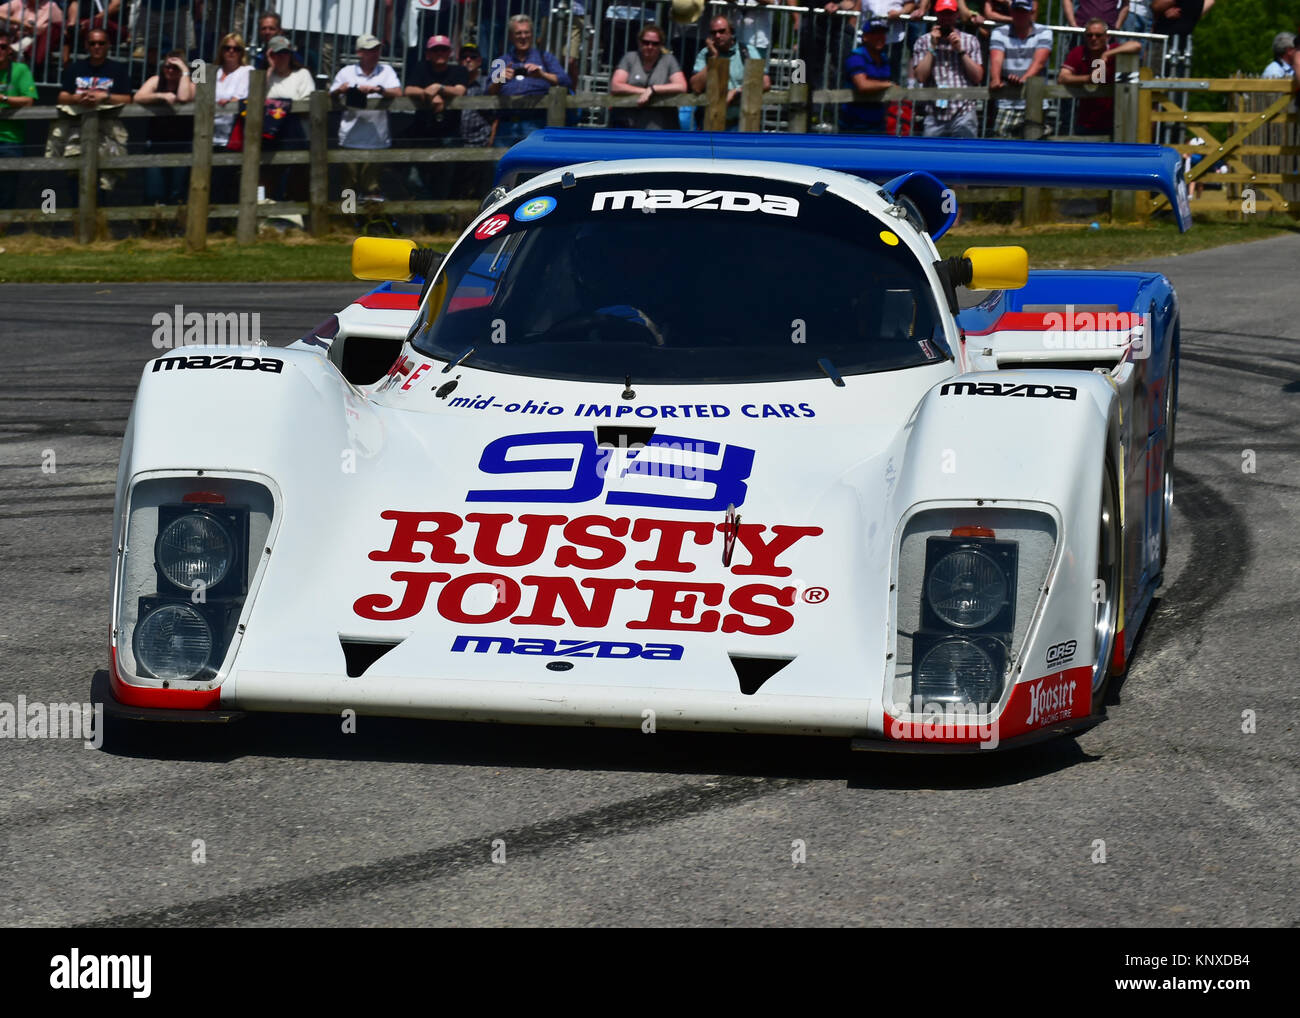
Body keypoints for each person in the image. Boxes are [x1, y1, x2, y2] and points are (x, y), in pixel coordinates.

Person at [48, 27, 132, 196]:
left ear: (108, 45)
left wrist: (104, 97)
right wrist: (78, 99)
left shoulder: (118, 69)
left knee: (104, 182)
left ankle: (98, 222)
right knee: (75, 180)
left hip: (108, 133)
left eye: (101, 43)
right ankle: (78, 221)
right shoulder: (75, 68)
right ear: (86, 45)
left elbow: (128, 99)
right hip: (77, 131)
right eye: (93, 43)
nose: (97, 47)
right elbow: (62, 96)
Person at [331, 32, 401, 200]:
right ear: (359, 52)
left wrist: (379, 90)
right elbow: (331, 94)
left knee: (372, 187)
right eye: (370, 50)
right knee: (349, 187)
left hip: (377, 141)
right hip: (350, 139)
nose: (375, 54)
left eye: (377, 50)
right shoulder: (346, 72)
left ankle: (370, 224)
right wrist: (343, 89)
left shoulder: (387, 71)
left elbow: (398, 92)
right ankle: (347, 222)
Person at [486, 14, 571, 146]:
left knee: (534, 165)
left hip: (536, 123)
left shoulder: (545, 57)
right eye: (518, 33)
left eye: (527, 32)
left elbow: (565, 81)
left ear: (532, 34)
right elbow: (489, 92)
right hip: (506, 125)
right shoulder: (501, 61)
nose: (523, 36)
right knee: (503, 165)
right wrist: (500, 79)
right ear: (511, 36)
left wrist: (542, 74)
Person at [911, 0, 983, 138]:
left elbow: (978, 77)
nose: (946, 18)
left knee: (965, 155)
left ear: (956, 15)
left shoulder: (970, 40)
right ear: (936, 14)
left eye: (950, 14)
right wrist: (932, 48)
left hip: (964, 111)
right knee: (931, 156)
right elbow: (920, 76)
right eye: (943, 14)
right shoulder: (923, 41)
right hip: (934, 112)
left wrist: (961, 51)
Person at [1057, 17, 1140, 135]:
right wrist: (1088, 79)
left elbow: (1136, 45)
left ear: (1107, 37)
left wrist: (1107, 54)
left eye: (1098, 35)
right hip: (1086, 120)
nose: (1093, 38)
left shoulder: (1114, 48)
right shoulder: (1078, 52)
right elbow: (1062, 77)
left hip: (1116, 120)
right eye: (1089, 35)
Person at [135, 49, 194, 204]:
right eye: (167, 66)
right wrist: (161, 96)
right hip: (156, 143)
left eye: (175, 67)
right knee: (153, 192)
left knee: (177, 192)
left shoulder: (190, 84)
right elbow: (138, 97)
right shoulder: (156, 80)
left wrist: (185, 72)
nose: (170, 70)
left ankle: (173, 227)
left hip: (182, 144)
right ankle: (153, 227)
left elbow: (183, 97)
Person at [689, 16, 770, 129]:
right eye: (713, 32)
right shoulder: (706, 53)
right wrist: (714, 58)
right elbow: (696, 87)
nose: (717, 36)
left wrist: (737, 91)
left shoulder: (746, 51)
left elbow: (765, 83)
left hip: (743, 122)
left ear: (731, 32)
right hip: (711, 122)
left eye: (722, 31)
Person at [988, 0, 1052, 138]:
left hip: (1035, 100)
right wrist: (995, 79)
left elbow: (1040, 62)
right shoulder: (999, 32)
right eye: (1017, 10)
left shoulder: (1044, 31)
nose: (1020, 15)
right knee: (1001, 141)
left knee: (1034, 145)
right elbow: (996, 59)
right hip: (1007, 100)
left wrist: (1022, 80)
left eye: (1024, 11)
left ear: (1030, 12)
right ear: (1011, 12)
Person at [263, 34, 313, 202]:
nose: (281, 57)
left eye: (285, 53)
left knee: (297, 185)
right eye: (277, 53)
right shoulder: (265, 77)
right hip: (270, 140)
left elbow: (308, 107)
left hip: (297, 138)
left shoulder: (302, 74)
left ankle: (297, 224)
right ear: (270, 55)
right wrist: (269, 69)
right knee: (266, 182)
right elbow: (254, 100)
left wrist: (279, 107)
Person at [610, 22, 687, 130]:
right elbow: (616, 86)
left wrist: (653, 89)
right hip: (630, 125)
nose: (650, 47)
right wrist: (644, 92)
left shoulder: (669, 60)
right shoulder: (629, 58)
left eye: (655, 44)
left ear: (661, 45)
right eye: (646, 42)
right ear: (639, 42)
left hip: (661, 126)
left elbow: (681, 86)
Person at [0, 27, 37, 210]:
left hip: (10, 139)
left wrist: (4, 99)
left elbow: (29, 101)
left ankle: (3, 236)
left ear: (9, 50)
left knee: (7, 191)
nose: (0, 50)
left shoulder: (20, 69)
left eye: (3, 46)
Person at [840, 18, 893, 135]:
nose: (880, 37)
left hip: (878, 125)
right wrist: (889, 85)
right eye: (875, 33)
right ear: (865, 37)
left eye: (882, 33)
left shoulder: (884, 59)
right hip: (853, 126)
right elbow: (862, 85)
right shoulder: (856, 57)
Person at [457, 43, 496, 199]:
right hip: (458, 144)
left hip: (481, 143)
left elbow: (495, 116)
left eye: (472, 57)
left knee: (482, 190)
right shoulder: (454, 80)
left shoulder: (487, 83)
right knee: (459, 188)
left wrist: (491, 141)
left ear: (479, 61)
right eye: (464, 57)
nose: (468, 60)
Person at [0, 0, 62, 68]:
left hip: (34, 40)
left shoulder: (51, 7)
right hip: (11, 36)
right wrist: (19, 22)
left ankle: (15, 50)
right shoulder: (18, 2)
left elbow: (60, 27)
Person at [61, 0, 123, 65]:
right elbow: (75, 3)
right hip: (87, 22)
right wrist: (72, 24)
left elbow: (116, 6)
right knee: (65, 27)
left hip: (112, 23)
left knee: (96, 23)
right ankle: (65, 65)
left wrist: (92, 20)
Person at [1062, 0, 1128, 30]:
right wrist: (1073, 24)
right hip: (1082, 30)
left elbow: (1126, 4)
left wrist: (1117, 26)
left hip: (1109, 31)